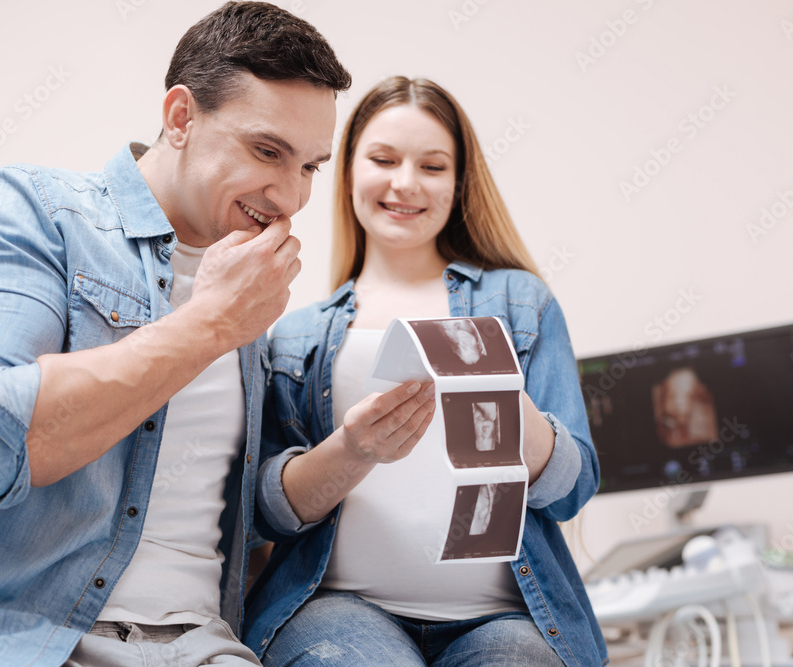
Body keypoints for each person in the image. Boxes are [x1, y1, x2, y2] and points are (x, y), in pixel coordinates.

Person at [0, 3, 350, 665]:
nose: (290, 194)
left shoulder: (247, 290)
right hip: (19, 639)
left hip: (206, 645)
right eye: (267, 151)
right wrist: (208, 323)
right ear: (180, 117)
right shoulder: (28, 212)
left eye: (311, 166)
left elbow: (234, 514)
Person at [246, 77, 607, 666]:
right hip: (339, 607)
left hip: (505, 618)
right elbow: (264, 515)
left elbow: (574, 491)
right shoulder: (296, 334)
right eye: (383, 159)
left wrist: (510, 409)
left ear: (459, 181)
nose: (405, 183)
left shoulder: (520, 305)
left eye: (433, 166)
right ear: (349, 171)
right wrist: (352, 451)